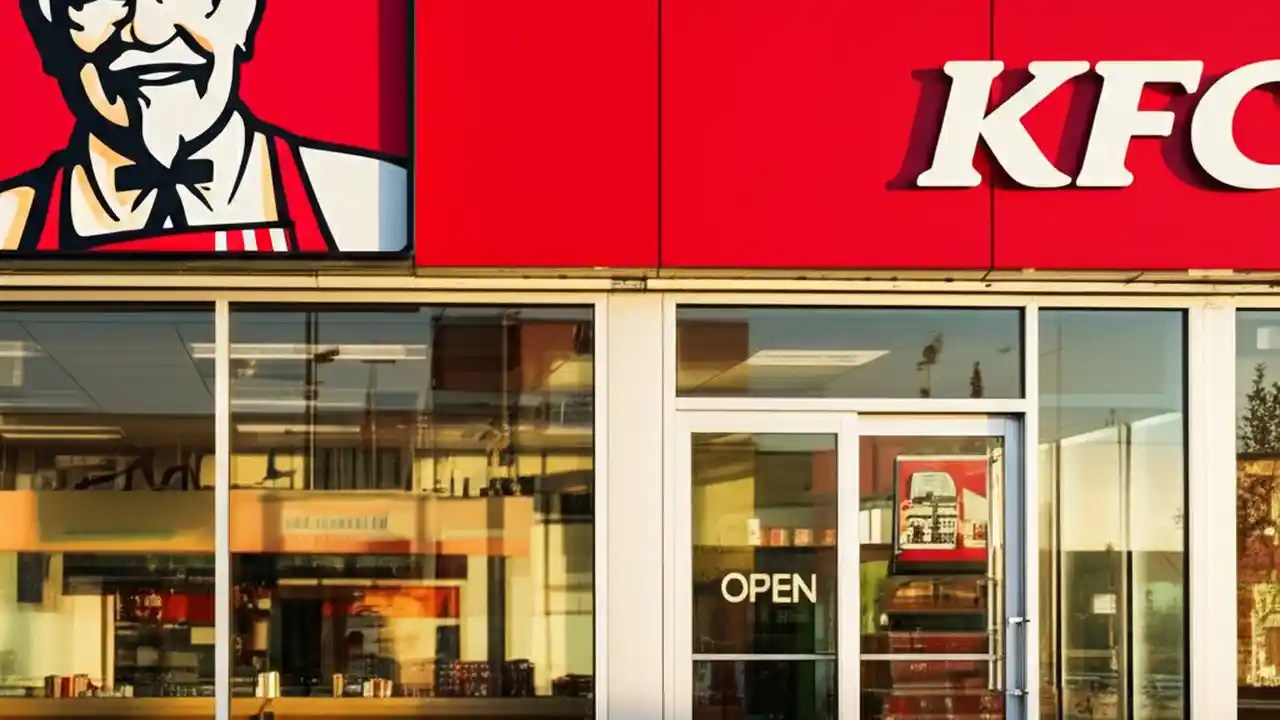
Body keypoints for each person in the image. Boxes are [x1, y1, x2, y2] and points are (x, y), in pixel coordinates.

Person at [0, 0, 406, 254]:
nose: (149, 30)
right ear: (48, 34)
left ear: (244, 15)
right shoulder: (9, 224)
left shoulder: (372, 202)